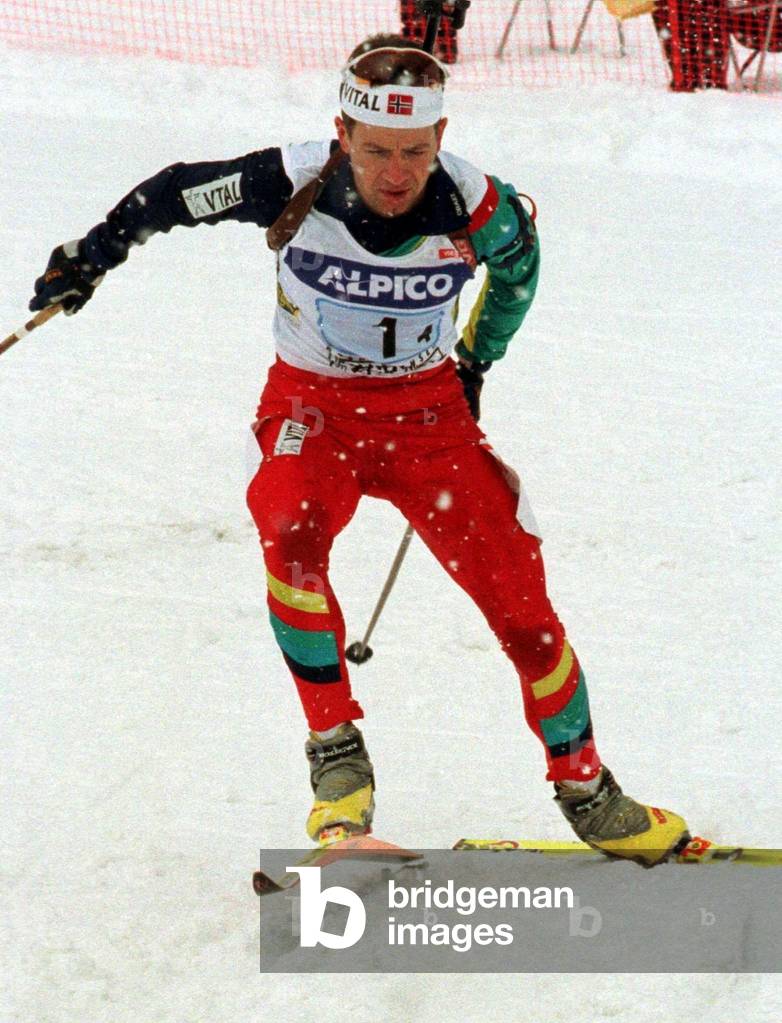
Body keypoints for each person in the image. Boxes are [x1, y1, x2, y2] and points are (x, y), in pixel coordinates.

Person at [28, 34, 689, 866]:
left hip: (428, 421)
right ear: (343, 133)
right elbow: (172, 195)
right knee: (290, 533)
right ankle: (337, 759)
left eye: (415, 151)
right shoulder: (291, 177)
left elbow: (519, 272)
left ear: (440, 140)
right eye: (375, 150)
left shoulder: (481, 205)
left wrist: (478, 359)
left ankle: (589, 790)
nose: (395, 172)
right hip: (315, 409)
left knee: (525, 612)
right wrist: (90, 257)